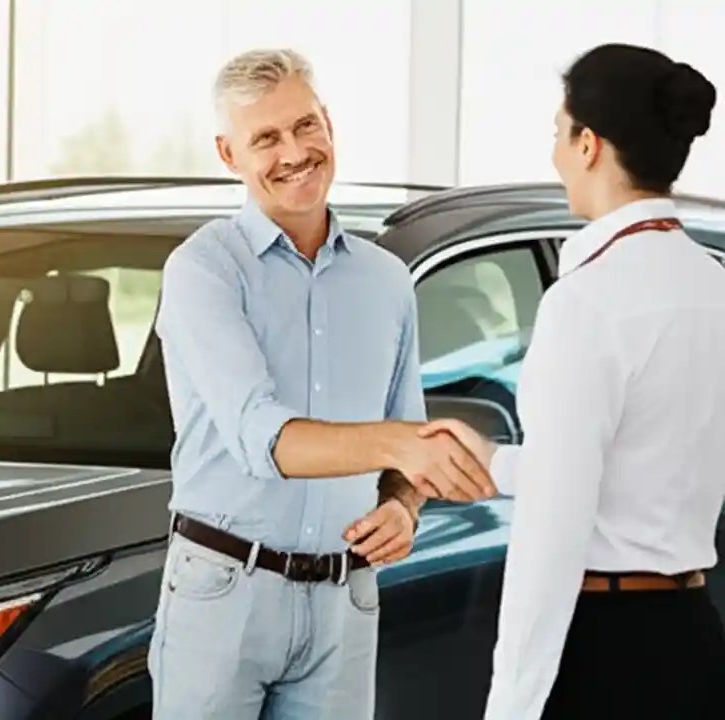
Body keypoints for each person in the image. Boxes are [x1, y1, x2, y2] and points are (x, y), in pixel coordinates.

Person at [147, 47, 494, 720]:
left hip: (345, 597)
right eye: (266, 138)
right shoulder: (204, 270)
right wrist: (403, 448)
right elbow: (262, 439)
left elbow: (406, 438)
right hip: (224, 592)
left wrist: (402, 507)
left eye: (306, 125)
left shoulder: (387, 280)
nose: (294, 152)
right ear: (229, 154)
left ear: (329, 124)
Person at [421, 43, 725, 720]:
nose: (556, 154)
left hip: (604, 650)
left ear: (589, 144)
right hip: (692, 637)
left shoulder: (585, 302)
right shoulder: (715, 284)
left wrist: (511, 704)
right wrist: (496, 461)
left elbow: (551, 535)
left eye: (558, 134)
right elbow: (639, 465)